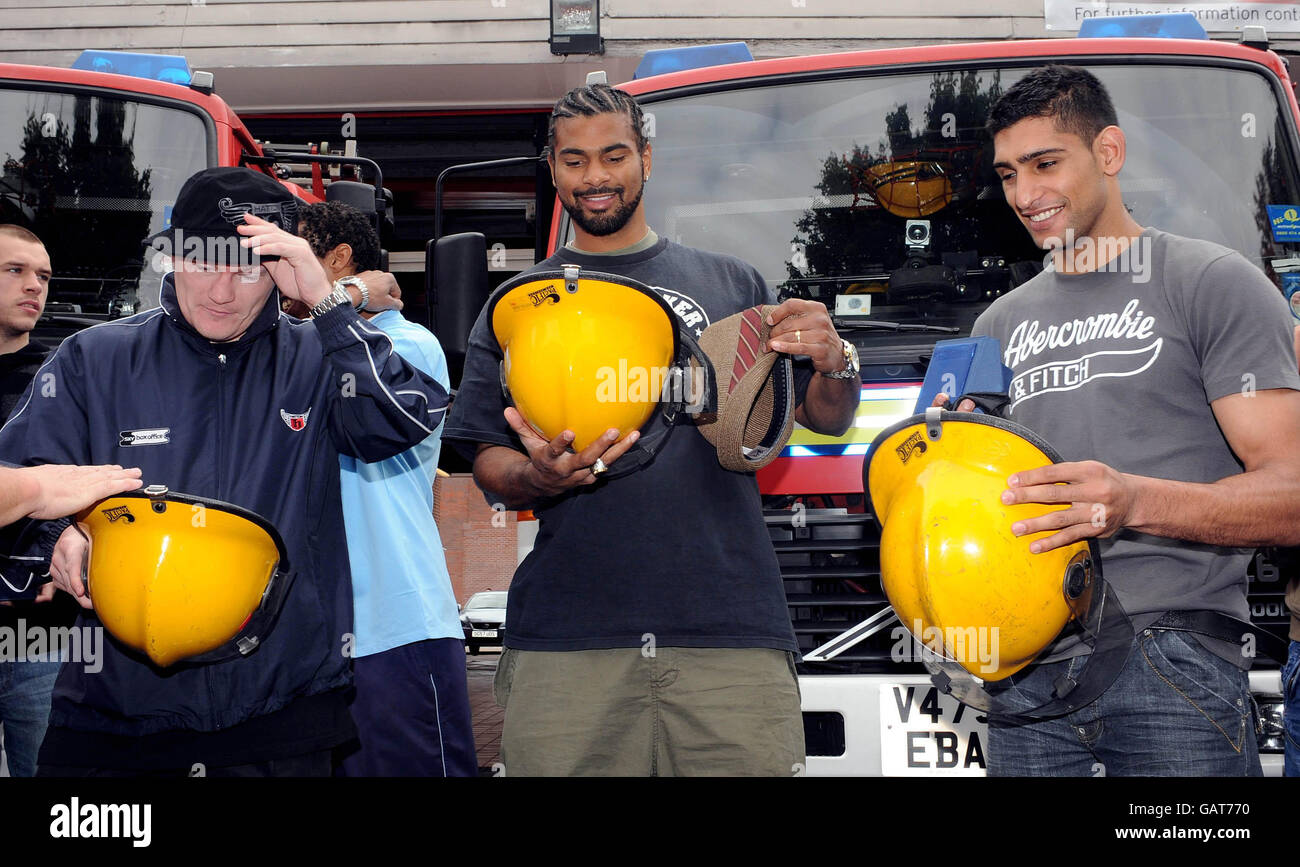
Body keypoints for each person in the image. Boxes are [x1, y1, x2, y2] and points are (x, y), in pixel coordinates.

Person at [444, 83, 861, 776]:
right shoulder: (519, 304)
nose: (595, 177)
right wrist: (536, 476)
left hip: (727, 637)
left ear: (646, 158)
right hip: (569, 643)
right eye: (574, 161)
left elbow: (825, 415)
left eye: (614, 156)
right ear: (552, 169)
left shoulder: (731, 282)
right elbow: (487, 455)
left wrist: (837, 357)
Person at [0, 166, 449, 777]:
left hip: (280, 719)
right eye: (204, 262)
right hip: (114, 718)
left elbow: (405, 419)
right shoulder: (93, 358)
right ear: (173, 257)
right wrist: (55, 539)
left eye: (246, 268)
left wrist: (328, 302)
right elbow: (15, 481)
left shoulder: (320, 357)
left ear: (280, 270)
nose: (221, 292)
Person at [952, 65, 1300, 775]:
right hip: (1024, 672)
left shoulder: (1210, 281)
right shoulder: (995, 323)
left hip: (1172, 656)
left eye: (1047, 164)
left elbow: (1292, 495)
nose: (1025, 194)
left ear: (1108, 152)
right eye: (1009, 173)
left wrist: (1134, 501)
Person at [297, 201, 476, 777]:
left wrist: (338, 303)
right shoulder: (298, 342)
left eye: (292, 254)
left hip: (394, 631)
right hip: (313, 641)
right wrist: (343, 299)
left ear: (339, 260)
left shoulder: (408, 345)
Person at [0, 224, 142, 778]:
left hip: (45, 639)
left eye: (43, 276)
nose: (34, 286)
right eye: (15, 270)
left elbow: (103, 486)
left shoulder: (71, 379)